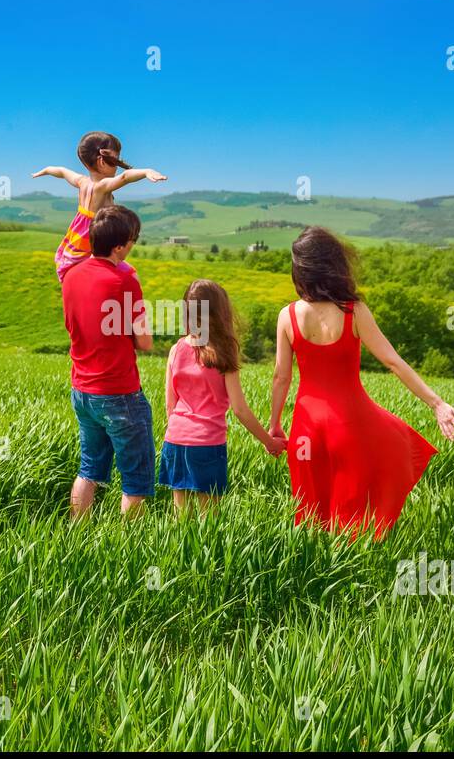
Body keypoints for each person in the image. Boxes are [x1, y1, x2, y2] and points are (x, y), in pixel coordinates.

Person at [268, 226, 454, 540]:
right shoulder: (353, 312)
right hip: (350, 425)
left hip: (306, 430)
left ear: (300, 270)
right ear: (334, 266)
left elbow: (282, 377)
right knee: (351, 517)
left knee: (309, 515)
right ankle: (353, 575)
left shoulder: (287, 316)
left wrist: (275, 424)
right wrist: (436, 403)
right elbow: (392, 362)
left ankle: (314, 578)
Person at [159, 280, 286, 513]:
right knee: (210, 520)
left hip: (175, 439)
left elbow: (170, 404)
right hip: (207, 442)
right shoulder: (224, 351)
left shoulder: (176, 349)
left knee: (180, 519)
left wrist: (181, 431)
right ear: (220, 312)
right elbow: (239, 409)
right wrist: (269, 442)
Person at [61, 205, 154, 517]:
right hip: (119, 392)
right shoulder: (124, 283)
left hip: (82, 391)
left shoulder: (71, 277)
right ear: (119, 246)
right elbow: (145, 342)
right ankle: (129, 548)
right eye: (133, 241)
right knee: (135, 482)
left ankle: (77, 533)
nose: (133, 246)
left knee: (89, 469)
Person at [31, 131, 166, 284]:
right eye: (115, 160)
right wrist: (146, 171)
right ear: (102, 162)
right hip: (94, 239)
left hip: (77, 238)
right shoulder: (101, 187)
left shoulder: (81, 181)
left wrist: (46, 170)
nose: (117, 165)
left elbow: (61, 171)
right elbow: (125, 177)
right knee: (116, 271)